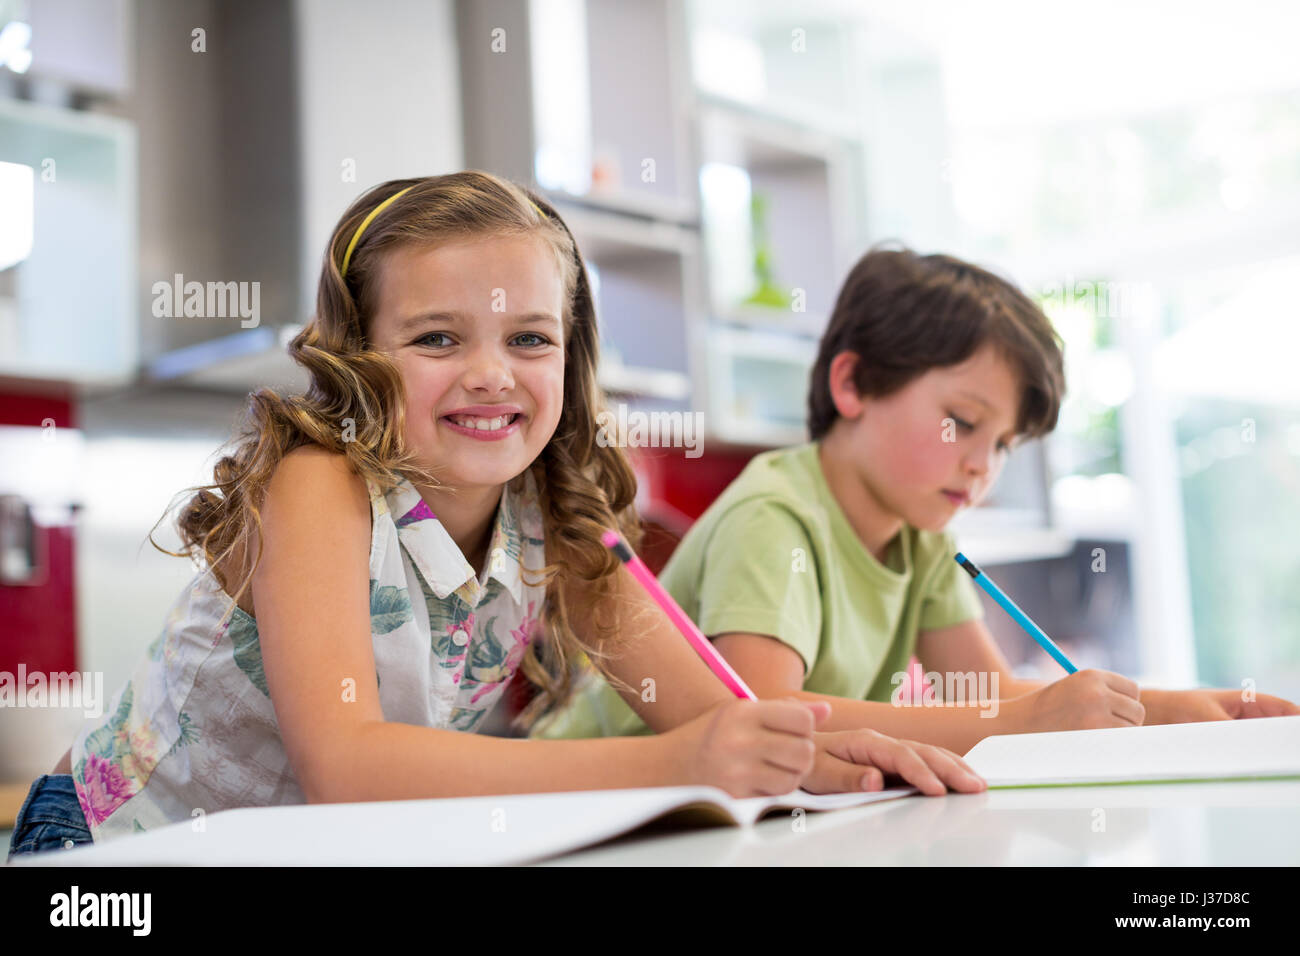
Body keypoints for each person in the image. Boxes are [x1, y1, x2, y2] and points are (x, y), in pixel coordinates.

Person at [8, 178, 983, 860]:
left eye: (528, 338)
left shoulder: (555, 520)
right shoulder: (322, 486)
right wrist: (676, 764)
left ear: (569, 355)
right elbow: (345, 764)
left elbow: (715, 713)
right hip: (115, 855)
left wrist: (832, 756)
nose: (489, 371)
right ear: (361, 354)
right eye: (437, 337)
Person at [533, 246, 1299, 750]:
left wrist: (1188, 711)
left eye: (1002, 444)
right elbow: (768, 715)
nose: (982, 466)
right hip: (596, 810)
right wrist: (1028, 717)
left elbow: (992, 696)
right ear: (853, 383)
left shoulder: (921, 535)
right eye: (963, 423)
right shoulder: (776, 521)